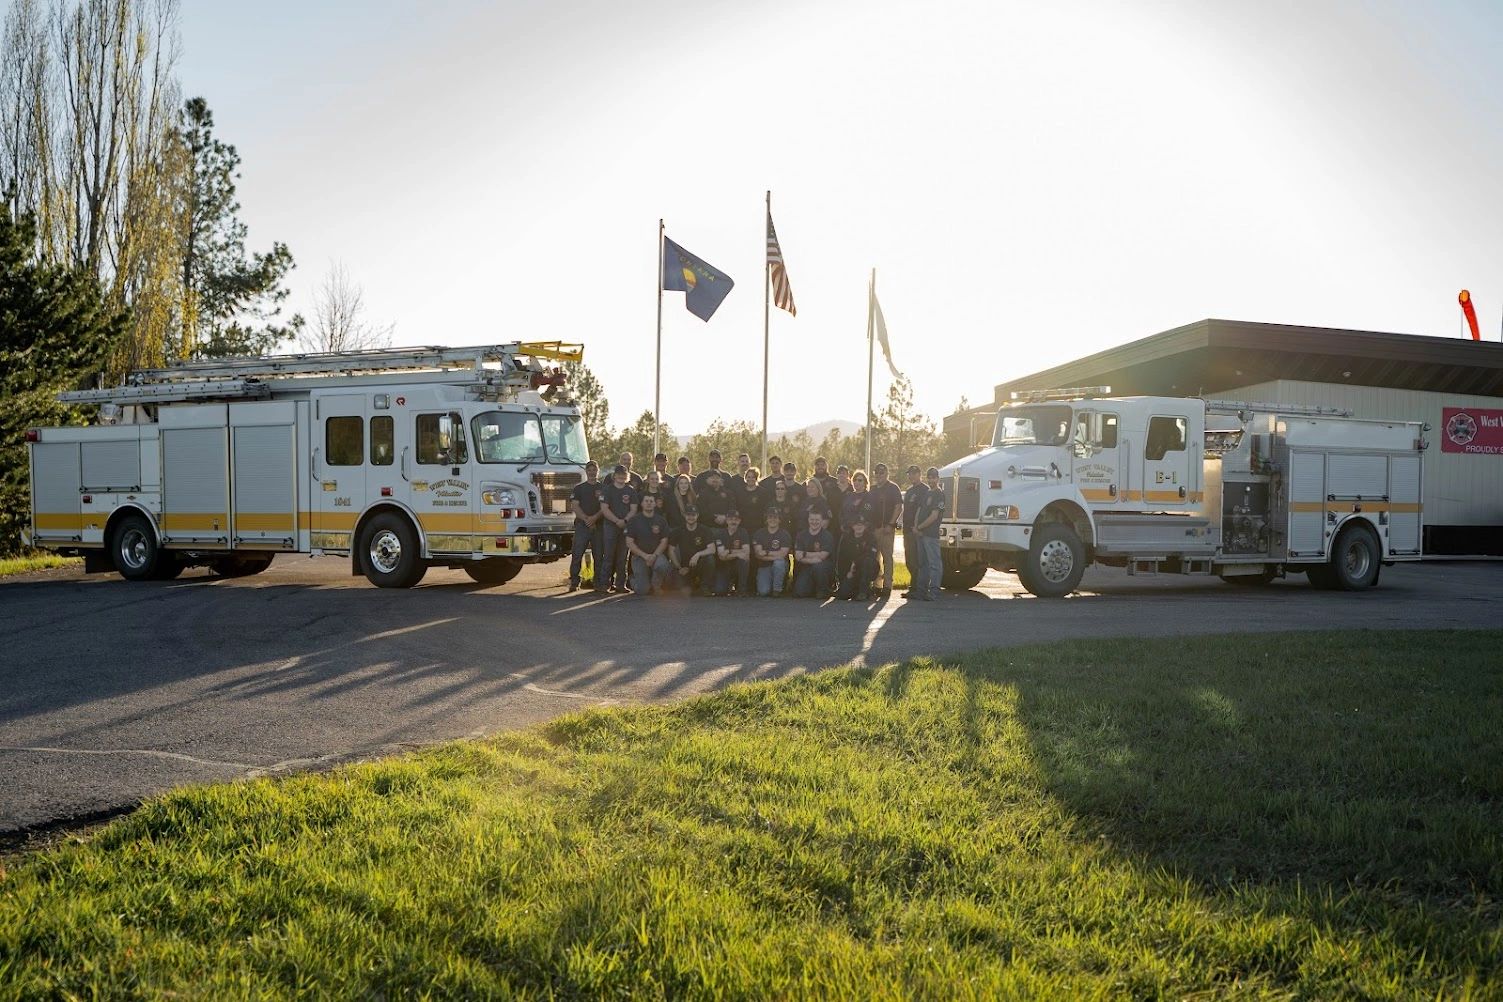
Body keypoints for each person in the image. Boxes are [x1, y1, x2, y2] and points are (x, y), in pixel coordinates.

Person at [599, 464, 640, 593]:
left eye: (624, 474)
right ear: (614, 475)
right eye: (619, 474)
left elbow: (634, 509)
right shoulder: (607, 490)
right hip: (610, 526)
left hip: (626, 527)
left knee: (623, 556)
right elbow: (604, 509)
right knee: (609, 556)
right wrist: (617, 520)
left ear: (627, 476)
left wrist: (625, 521)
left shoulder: (631, 490)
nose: (621, 476)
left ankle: (620, 585)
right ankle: (604, 584)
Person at [567, 460, 605, 592]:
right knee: (577, 554)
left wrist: (594, 518)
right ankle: (574, 582)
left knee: (598, 556)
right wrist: (586, 519)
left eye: (594, 470)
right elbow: (575, 506)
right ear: (586, 471)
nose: (592, 472)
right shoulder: (579, 488)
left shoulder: (603, 488)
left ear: (598, 471)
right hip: (582, 526)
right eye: (589, 470)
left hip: (598, 526)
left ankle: (598, 583)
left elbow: (605, 507)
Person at [624, 492, 671, 595]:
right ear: (642, 503)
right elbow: (629, 543)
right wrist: (645, 556)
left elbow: (664, 541)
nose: (649, 503)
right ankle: (632, 578)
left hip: (656, 555)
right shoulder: (634, 520)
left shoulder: (661, 520)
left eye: (651, 501)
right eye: (646, 501)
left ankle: (656, 585)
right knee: (642, 590)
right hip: (639, 556)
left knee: (663, 565)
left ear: (655, 504)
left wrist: (654, 556)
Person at [912, 467, 947, 601]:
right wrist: (916, 527)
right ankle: (921, 591)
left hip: (930, 534)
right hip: (920, 534)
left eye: (934, 477)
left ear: (938, 479)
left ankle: (935, 591)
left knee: (934, 563)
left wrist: (919, 527)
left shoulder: (939, 494)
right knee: (923, 564)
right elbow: (919, 510)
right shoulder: (926, 493)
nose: (931, 480)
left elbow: (934, 516)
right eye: (930, 477)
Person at [869, 462, 903, 597]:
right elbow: (868, 508)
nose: (879, 475)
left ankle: (887, 586)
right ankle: (877, 585)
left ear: (887, 474)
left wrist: (891, 524)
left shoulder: (893, 488)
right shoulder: (872, 489)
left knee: (887, 558)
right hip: (874, 529)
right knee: (874, 558)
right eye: (877, 473)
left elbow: (898, 507)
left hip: (887, 528)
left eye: (882, 473)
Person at [671, 503, 718, 595]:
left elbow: (712, 549)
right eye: (688, 515)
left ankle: (704, 586)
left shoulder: (705, 530)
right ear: (684, 515)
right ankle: (693, 584)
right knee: (678, 589)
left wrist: (698, 554)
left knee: (710, 559)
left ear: (697, 515)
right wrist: (679, 567)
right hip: (685, 567)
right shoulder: (678, 531)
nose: (691, 517)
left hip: (699, 565)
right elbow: (671, 550)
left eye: (693, 515)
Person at [901, 465, 930, 599]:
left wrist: (917, 527)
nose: (911, 476)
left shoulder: (925, 490)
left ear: (919, 474)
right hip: (907, 530)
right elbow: (905, 510)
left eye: (913, 473)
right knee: (909, 560)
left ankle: (919, 588)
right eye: (909, 474)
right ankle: (913, 587)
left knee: (917, 561)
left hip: (916, 531)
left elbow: (923, 510)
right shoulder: (909, 491)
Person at [793, 510, 835, 598]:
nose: (814, 522)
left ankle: (823, 590)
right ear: (808, 519)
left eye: (817, 519)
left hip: (823, 568)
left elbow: (823, 556)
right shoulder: (801, 535)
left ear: (822, 520)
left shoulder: (827, 535)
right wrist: (814, 558)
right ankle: (812, 588)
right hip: (807, 567)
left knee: (818, 567)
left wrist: (804, 555)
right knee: (800, 592)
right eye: (812, 519)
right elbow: (797, 556)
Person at [835, 517, 878, 601]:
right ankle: (859, 591)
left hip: (864, 570)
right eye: (856, 525)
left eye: (861, 525)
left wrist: (855, 563)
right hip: (850, 572)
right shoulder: (846, 539)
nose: (859, 527)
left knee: (868, 561)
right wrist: (844, 576)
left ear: (865, 526)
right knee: (842, 595)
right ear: (852, 526)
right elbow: (841, 559)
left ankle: (863, 591)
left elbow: (871, 555)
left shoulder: (871, 537)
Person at [753, 508, 793, 596]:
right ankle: (770, 583)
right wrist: (775, 554)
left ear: (779, 520)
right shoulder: (759, 533)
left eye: (775, 517)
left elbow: (783, 554)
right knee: (763, 592)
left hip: (780, 565)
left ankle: (777, 590)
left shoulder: (784, 534)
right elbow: (758, 554)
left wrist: (766, 553)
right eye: (770, 517)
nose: (772, 520)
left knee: (779, 563)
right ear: (766, 519)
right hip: (764, 566)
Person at [714, 509, 753, 596]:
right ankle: (729, 583)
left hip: (737, 565)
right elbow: (721, 556)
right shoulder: (720, 534)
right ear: (726, 520)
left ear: (739, 521)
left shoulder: (743, 532)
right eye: (731, 519)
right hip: (723, 566)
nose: (733, 522)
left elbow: (746, 553)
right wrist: (738, 553)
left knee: (745, 560)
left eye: (736, 519)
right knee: (720, 591)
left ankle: (742, 589)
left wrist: (728, 551)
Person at [731, 466, 763, 534]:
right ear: (745, 478)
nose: (750, 479)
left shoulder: (762, 492)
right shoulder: (739, 492)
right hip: (742, 526)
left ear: (756, 478)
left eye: (753, 477)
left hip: (758, 526)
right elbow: (735, 507)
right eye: (748, 477)